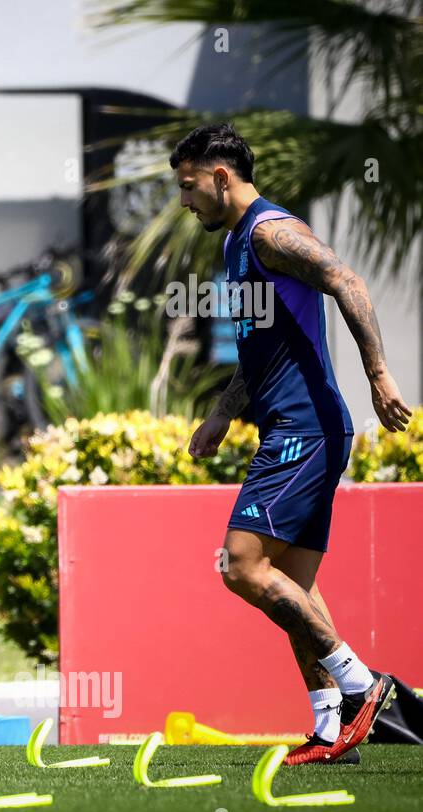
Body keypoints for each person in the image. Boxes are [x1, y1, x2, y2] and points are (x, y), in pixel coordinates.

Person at [175, 123, 412, 765]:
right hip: (298, 427)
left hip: (304, 430)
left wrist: (379, 374)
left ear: (220, 176)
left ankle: (365, 688)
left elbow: (347, 280)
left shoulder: (271, 233)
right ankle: (332, 728)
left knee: (240, 565)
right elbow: (262, 346)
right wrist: (224, 414)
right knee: (294, 588)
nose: (184, 200)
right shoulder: (234, 246)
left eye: (188, 186)